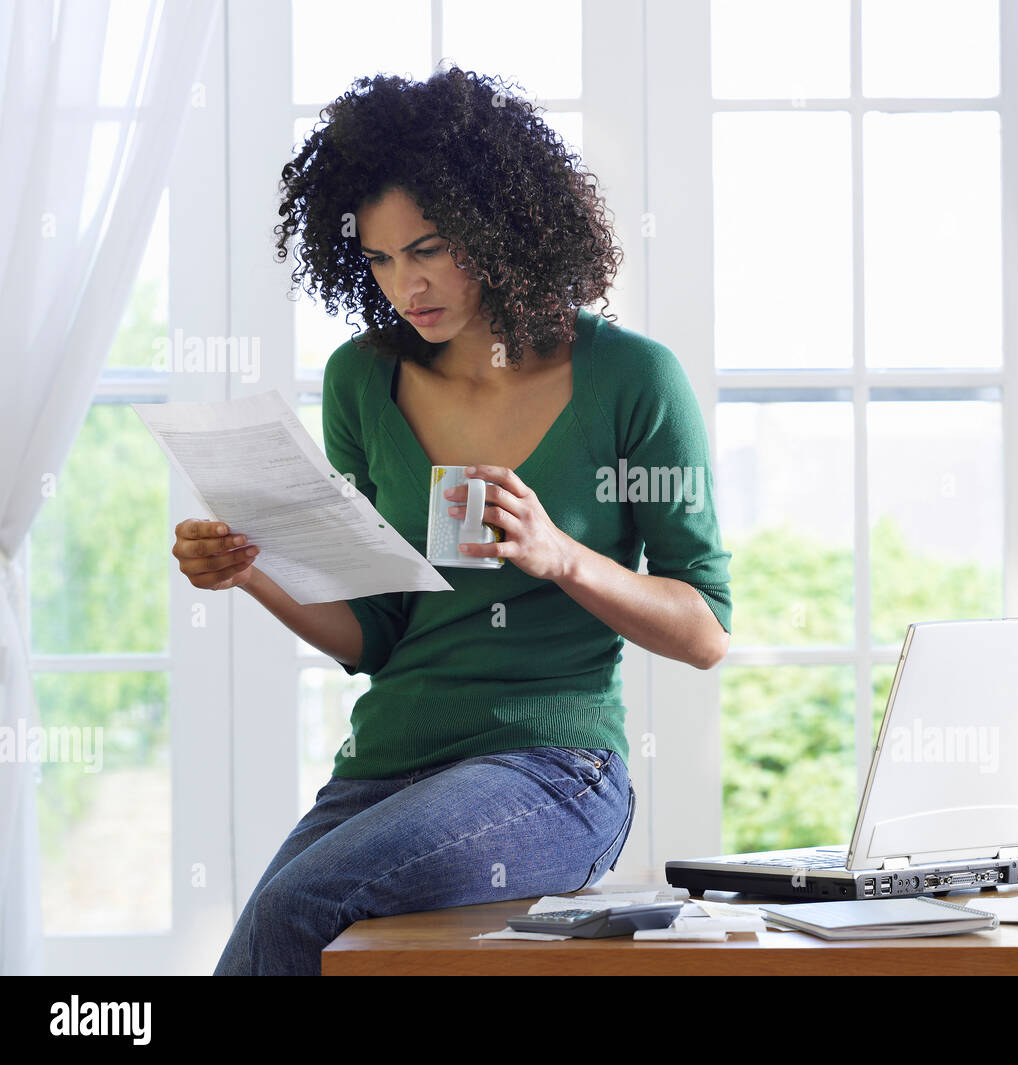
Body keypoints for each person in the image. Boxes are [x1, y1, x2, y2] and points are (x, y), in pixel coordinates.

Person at [172, 66, 732, 975]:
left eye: (428, 247)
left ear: (500, 225)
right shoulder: (362, 379)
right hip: (385, 766)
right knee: (254, 951)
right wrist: (253, 570)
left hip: (552, 770)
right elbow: (375, 633)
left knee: (297, 910)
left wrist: (562, 557)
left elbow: (705, 631)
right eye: (382, 258)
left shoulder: (633, 377)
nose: (406, 283)